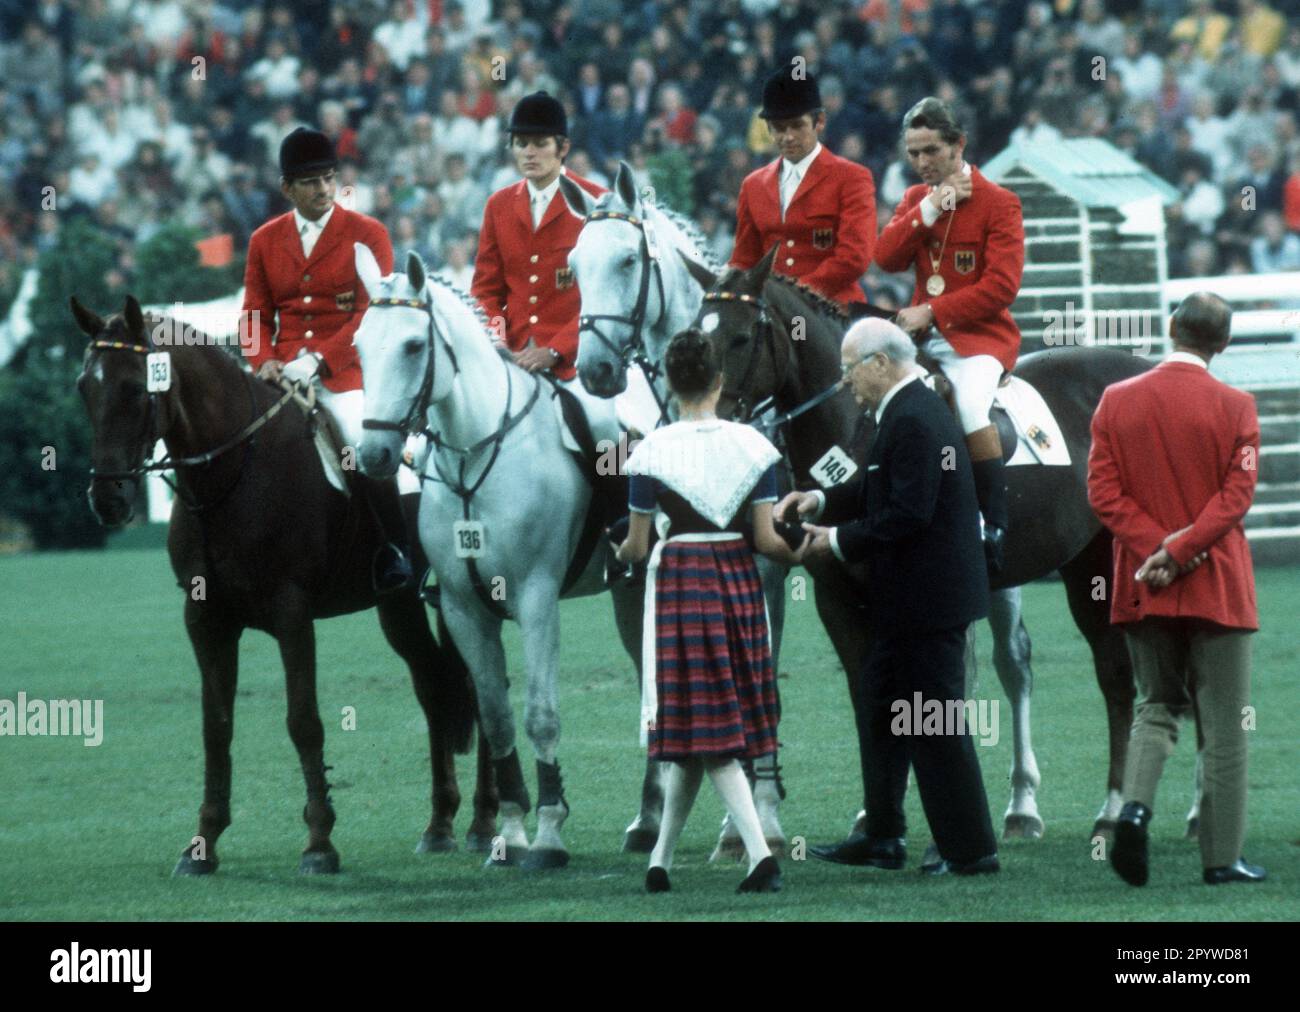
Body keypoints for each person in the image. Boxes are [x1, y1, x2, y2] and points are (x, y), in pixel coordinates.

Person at [780, 317, 1000, 876]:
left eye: (851, 370)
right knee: (882, 710)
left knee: (934, 722)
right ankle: (882, 835)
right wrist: (821, 501)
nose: (846, 383)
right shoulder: (903, 413)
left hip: (928, 602)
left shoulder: (913, 419)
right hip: (908, 602)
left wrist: (835, 541)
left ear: (880, 363)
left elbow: (907, 513)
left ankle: (971, 851)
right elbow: (879, 488)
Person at [615, 328, 806, 894]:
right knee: (704, 728)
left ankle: (757, 857)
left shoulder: (650, 451)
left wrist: (618, 549)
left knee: (708, 729)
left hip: (682, 581)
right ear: (720, 382)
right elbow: (770, 541)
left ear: (671, 386)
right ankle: (660, 862)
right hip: (737, 579)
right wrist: (807, 546)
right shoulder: (756, 447)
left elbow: (638, 543)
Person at [1087, 293, 1265, 887]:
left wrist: (1155, 550)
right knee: (1224, 726)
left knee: (1155, 706)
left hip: (1144, 583)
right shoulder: (1237, 406)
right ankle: (1221, 858)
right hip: (1216, 583)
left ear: (1170, 329)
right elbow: (1235, 499)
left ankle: (1134, 807)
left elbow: (1104, 494)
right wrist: (1183, 551)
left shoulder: (1116, 400)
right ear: (1223, 344)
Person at [242, 126, 413, 593]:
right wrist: (265, 361)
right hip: (280, 376)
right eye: (310, 182)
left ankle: (393, 550)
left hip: (346, 374)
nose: (322, 190)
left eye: (328, 179)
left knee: (365, 444)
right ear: (287, 189)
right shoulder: (264, 240)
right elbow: (254, 314)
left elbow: (370, 311)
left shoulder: (368, 234)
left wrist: (318, 361)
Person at [874, 97, 1025, 575]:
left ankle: (993, 525)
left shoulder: (999, 203)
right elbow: (886, 258)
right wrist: (930, 208)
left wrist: (934, 312)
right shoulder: (915, 200)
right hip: (921, 338)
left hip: (980, 341)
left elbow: (1002, 287)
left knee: (968, 405)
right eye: (914, 153)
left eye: (931, 151)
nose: (922, 162)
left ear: (958, 144)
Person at [472, 91, 606, 379]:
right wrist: (497, 340)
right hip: (514, 358)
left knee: (598, 423)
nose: (529, 153)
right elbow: (486, 291)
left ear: (563, 147)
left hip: (578, 362)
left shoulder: (597, 201)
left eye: (540, 144)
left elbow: (605, 296)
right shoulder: (499, 205)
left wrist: (557, 349)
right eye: (521, 144)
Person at [730, 68, 877, 309]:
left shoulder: (852, 177)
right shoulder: (753, 185)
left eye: (797, 126)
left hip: (831, 309)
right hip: (770, 313)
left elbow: (854, 258)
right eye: (778, 128)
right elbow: (744, 260)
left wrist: (795, 296)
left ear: (819, 122)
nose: (787, 137)